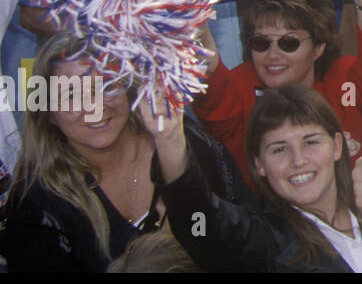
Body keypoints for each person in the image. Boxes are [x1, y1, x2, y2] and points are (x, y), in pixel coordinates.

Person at [1, 34, 249, 272]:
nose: (95, 107)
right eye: (72, 95)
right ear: (48, 114)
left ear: (128, 89)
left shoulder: (181, 144)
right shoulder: (36, 204)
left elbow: (250, 242)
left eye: (106, 87)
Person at [193, 0, 362, 186]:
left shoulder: (345, 78)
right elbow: (212, 90)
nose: (273, 55)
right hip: (273, 217)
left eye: (289, 43)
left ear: (318, 48)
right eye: (261, 43)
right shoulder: (242, 84)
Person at [149, 86, 362, 271]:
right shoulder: (264, 241)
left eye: (311, 142)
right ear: (259, 164)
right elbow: (203, 224)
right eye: (279, 149)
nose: (298, 160)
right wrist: (169, 138)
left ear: (337, 146)